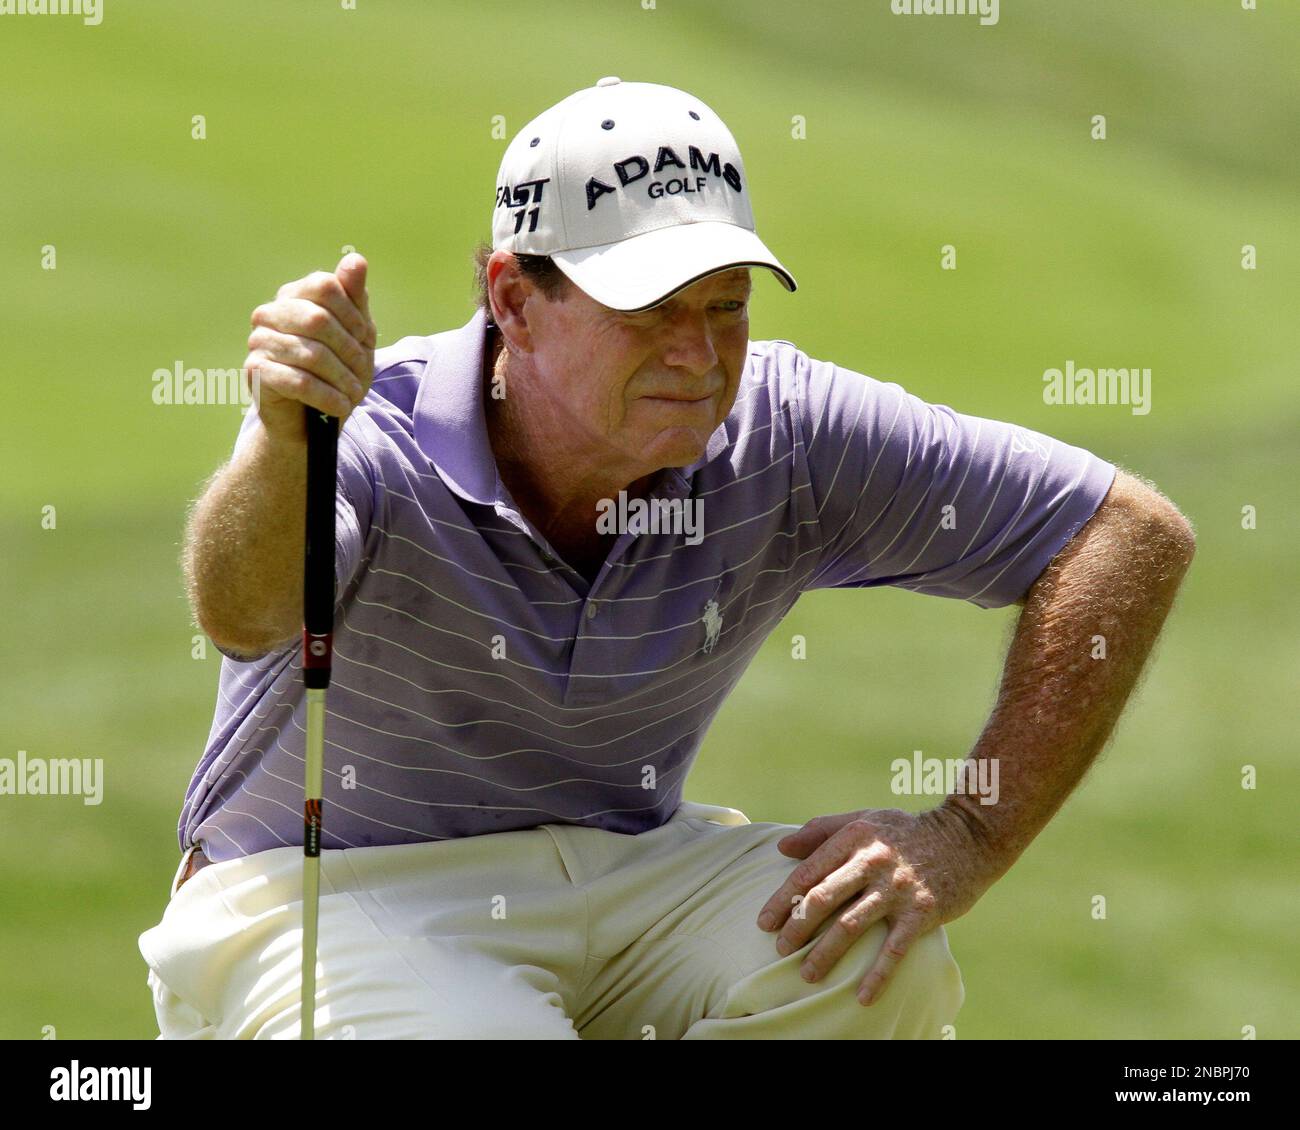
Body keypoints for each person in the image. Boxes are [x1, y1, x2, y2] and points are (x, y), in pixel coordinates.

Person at [138, 78, 1195, 1039]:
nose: (698, 355)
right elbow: (247, 613)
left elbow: (1127, 531)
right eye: (649, 310)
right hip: (320, 889)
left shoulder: (786, 427)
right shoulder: (367, 428)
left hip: (627, 866)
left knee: (877, 949)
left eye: (725, 305)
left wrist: (966, 832)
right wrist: (285, 442)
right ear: (513, 299)